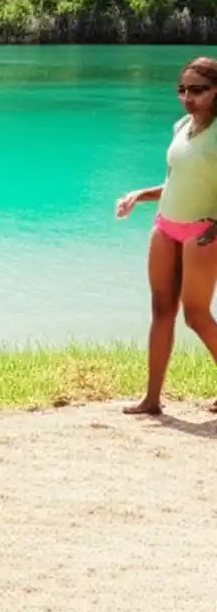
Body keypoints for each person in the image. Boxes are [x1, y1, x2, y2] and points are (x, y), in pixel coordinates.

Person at [116, 57, 217, 416]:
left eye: (198, 90)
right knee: (161, 311)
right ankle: (152, 399)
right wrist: (138, 196)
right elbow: (176, 181)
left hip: (203, 232)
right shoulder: (181, 126)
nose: (188, 97)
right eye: (182, 90)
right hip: (166, 226)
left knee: (196, 315)